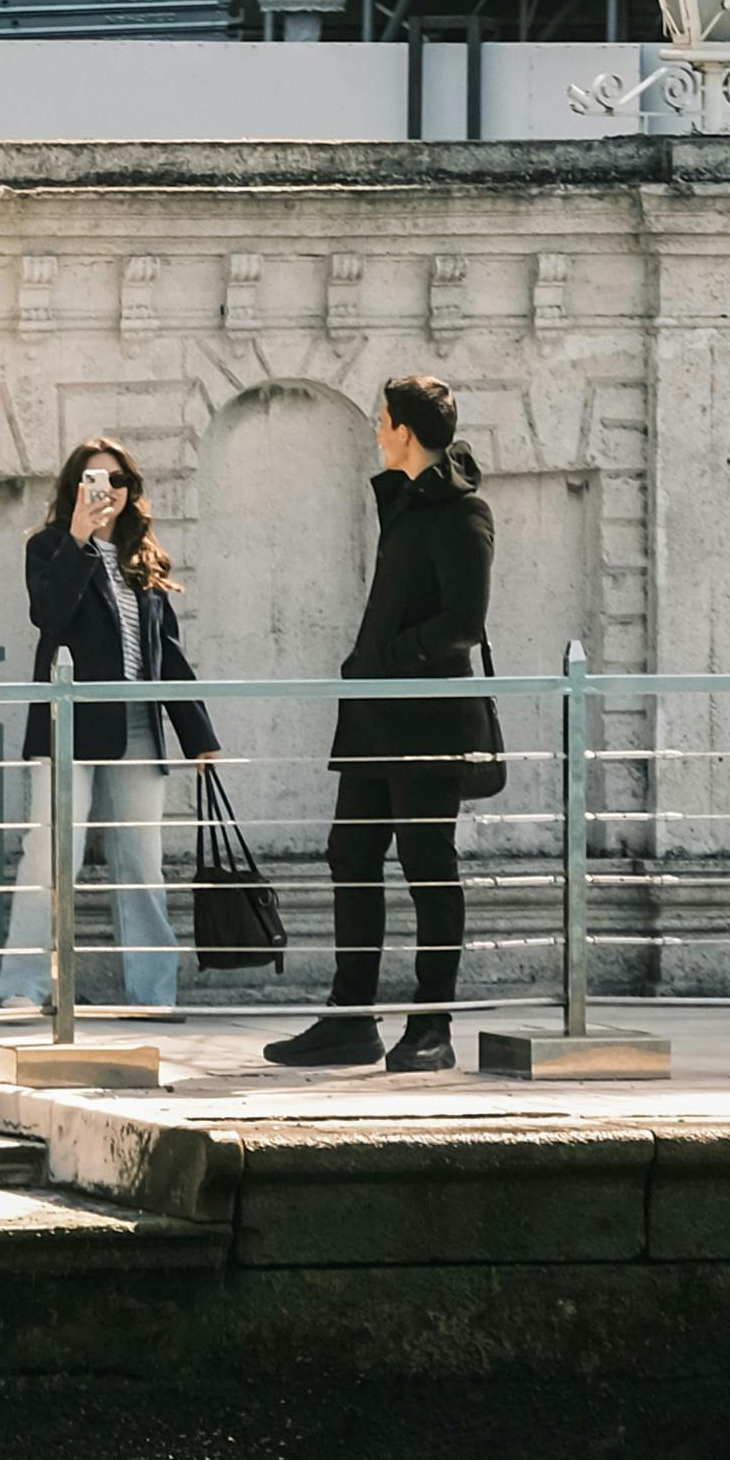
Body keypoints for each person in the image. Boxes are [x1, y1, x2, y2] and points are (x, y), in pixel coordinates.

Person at [267, 372, 501, 1072]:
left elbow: (464, 622)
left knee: (428, 867)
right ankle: (350, 1019)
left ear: (405, 429)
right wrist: (367, 667)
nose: (375, 429)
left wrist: (389, 658)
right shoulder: (403, 504)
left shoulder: (464, 513)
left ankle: (432, 1027)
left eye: (382, 420)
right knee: (352, 856)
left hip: (427, 719)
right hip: (375, 716)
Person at [6, 436, 221, 1020]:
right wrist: (79, 539)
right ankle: (23, 987)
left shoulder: (142, 558)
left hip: (138, 725)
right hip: (69, 723)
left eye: (116, 482)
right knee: (50, 855)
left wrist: (199, 734)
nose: (107, 492)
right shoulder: (49, 547)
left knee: (141, 863)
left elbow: (166, 652)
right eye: (93, 482)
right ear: (74, 490)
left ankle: (152, 995)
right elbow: (49, 616)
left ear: (131, 491)